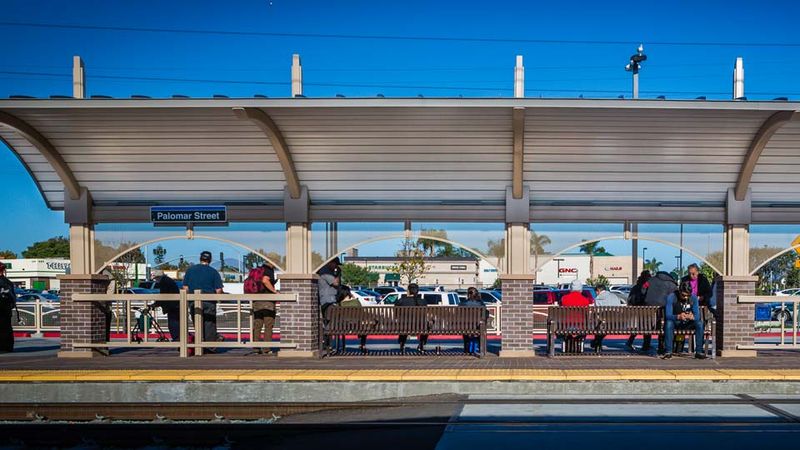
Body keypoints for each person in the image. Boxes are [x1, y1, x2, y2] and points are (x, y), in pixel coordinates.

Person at [182, 251, 224, 349]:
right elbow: (218, 290)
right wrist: (219, 299)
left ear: (200, 258)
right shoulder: (213, 272)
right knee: (209, 324)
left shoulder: (190, 270)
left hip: (194, 301)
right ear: (210, 260)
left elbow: (185, 287)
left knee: (197, 323)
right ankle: (209, 347)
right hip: (209, 301)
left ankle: (199, 345)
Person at [661, 280, 707, 360]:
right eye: (683, 295)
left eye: (688, 295)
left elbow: (697, 316)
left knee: (700, 323)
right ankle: (668, 352)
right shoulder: (672, 297)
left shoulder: (693, 298)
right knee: (668, 323)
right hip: (676, 323)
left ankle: (699, 352)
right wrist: (678, 316)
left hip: (688, 323)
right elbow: (668, 315)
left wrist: (692, 317)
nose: (686, 297)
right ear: (679, 291)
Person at [247, 263, 278, 355]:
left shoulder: (258, 270)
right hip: (267, 301)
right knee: (268, 325)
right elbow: (265, 280)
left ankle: (256, 348)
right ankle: (266, 349)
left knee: (257, 325)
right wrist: (274, 291)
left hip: (256, 300)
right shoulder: (268, 270)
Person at [394, 283, 427, 354]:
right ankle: (421, 345)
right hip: (420, 326)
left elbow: (396, 314)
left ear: (408, 291)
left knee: (403, 325)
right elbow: (425, 315)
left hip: (404, 326)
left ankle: (402, 345)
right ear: (417, 291)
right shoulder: (423, 301)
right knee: (426, 326)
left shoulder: (401, 301)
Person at [560, 279, 590, 353]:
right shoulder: (585, 300)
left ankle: (566, 343)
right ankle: (580, 343)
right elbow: (587, 314)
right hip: (581, 326)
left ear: (571, 288)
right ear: (581, 289)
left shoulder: (564, 298)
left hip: (566, 326)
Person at [317, 258, 341, 350]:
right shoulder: (326, 272)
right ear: (331, 263)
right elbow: (336, 283)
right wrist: (338, 273)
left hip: (329, 301)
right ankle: (326, 343)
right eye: (336, 264)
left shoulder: (327, 272)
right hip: (328, 302)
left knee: (329, 322)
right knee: (329, 322)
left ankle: (328, 343)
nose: (336, 266)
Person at [591, 283, 623, 351]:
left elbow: (597, 312)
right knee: (602, 327)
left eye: (596, 292)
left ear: (598, 290)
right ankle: (597, 342)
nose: (596, 294)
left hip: (604, 322)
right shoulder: (614, 296)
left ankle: (597, 343)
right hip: (616, 322)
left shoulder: (598, 298)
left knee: (598, 326)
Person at [337, 285, 368, 354]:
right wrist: (354, 299)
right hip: (358, 326)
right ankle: (363, 345)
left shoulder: (339, 304)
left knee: (361, 326)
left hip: (344, 327)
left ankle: (340, 347)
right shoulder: (356, 302)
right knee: (364, 327)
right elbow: (362, 313)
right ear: (348, 293)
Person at [626, 270, 652, 351]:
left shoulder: (636, 287)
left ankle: (630, 341)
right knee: (647, 326)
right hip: (646, 310)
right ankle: (646, 345)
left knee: (640, 326)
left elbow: (630, 299)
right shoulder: (647, 286)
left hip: (636, 309)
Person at [153, 273, 181, 342]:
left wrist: (156, 304)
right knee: (176, 322)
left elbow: (163, 295)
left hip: (172, 306)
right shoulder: (168, 280)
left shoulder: (164, 282)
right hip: (176, 304)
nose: (156, 281)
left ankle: (176, 338)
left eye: (156, 278)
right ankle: (177, 338)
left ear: (159, 277)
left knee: (173, 323)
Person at [459, 287, 485, 355]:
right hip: (477, 326)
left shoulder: (463, 303)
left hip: (465, 326)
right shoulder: (480, 303)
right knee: (480, 331)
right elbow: (485, 314)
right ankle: (480, 348)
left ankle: (466, 349)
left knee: (466, 331)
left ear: (468, 294)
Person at [0, 263, 16, 353]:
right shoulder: (8, 282)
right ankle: (7, 347)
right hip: (6, 309)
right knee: (6, 328)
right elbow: (13, 298)